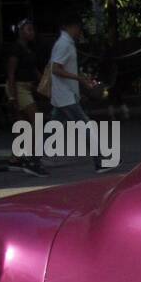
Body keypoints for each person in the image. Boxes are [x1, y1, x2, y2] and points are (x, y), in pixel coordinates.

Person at [48, 12, 103, 171]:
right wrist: (78, 79)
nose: (79, 31)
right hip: (65, 95)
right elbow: (56, 69)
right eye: (78, 27)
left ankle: (31, 158)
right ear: (70, 27)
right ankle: (100, 160)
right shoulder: (64, 44)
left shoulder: (66, 43)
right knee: (86, 126)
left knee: (51, 129)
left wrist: (81, 79)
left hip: (65, 94)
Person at [5, 18, 47, 176]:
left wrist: (43, 82)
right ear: (21, 32)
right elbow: (11, 73)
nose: (32, 33)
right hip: (18, 87)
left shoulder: (28, 49)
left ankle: (15, 158)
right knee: (37, 120)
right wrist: (12, 97)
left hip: (27, 87)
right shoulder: (15, 49)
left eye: (32, 30)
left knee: (22, 125)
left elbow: (33, 69)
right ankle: (32, 158)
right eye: (28, 29)